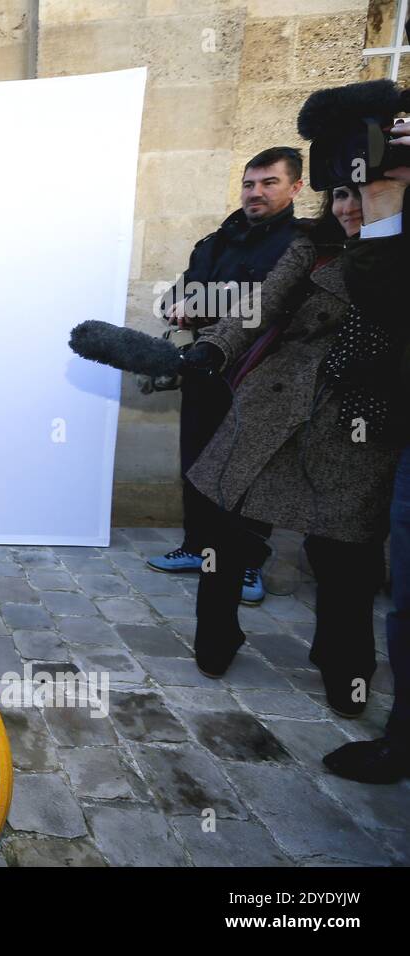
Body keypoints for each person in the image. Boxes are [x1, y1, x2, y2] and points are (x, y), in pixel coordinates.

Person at [183, 179, 404, 722]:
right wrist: (213, 346)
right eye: (341, 196)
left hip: (359, 424)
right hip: (272, 410)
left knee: (344, 556)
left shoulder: (396, 258)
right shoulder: (312, 246)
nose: (350, 208)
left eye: (366, 197)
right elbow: (260, 306)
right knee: (226, 534)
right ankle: (217, 637)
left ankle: (344, 665)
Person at [147, 147, 306, 605]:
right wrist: (180, 305)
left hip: (264, 378)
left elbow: (271, 303)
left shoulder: (301, 244)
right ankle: (198, 548)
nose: (255, 193)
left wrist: (202, 302)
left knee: (249, 474)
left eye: (269, 183)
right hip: (205, 371)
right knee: (196, 464)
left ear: (295, 187)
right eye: (249, 183)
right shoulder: (216, 241)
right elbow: (175, 295)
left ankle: (246, 563)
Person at [322, 119, 410, 782]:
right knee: (348, 564)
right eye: (342, 192)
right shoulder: (341, 252)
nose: (352, 201)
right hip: (357, 436)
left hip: (381, 428)